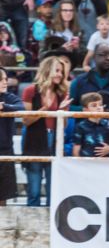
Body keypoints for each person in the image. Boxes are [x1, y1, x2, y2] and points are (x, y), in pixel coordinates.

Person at [21, 57, 71, 205]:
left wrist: (62, 110)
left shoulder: (61, 92)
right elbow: (26, 121)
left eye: (61, 72)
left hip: (54, 139)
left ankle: (51, 224)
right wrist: (45, 109)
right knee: (34, 190)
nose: (60, 75)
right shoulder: (31, 90)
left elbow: (65, 125)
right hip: (34, 140)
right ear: (47, 70)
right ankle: (32, 225)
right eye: (57, 71)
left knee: (53, 188)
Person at [68, 44, 109, 112]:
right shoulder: (79, 81)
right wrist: (84, 110)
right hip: (84, 122)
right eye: (103, 54)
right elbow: (69, 107)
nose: (108, 58)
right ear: (94, 57)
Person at [72, 92, 109, 157]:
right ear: (85, 110)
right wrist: (78, 165)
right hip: (87, 164)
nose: (99, 108)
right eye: (94, 105)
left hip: (106, 163)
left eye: (101, 105)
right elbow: (76, 149)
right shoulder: (80, 127)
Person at [0, 67, 23, 205]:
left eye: (5, 79)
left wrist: (4, 107)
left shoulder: (10, 98)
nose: (5, 82)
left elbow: (22, 108)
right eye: (1, 79)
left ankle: (2, 224)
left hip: (5, 150)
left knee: (3, 194)